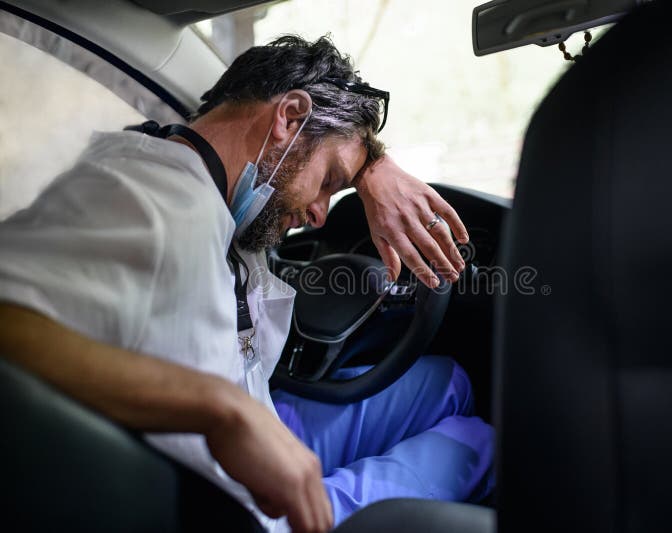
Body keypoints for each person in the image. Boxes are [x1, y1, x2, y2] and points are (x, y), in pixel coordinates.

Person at [0, 35, 493, 533]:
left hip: (262, 425)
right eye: (328, 182)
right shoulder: (141, 201)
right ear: (288, 117)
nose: (321, 216)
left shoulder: (223, 191)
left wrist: (371, 169)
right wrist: (221, 409)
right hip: (239, 507)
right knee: (479, 444)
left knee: (448, 382)